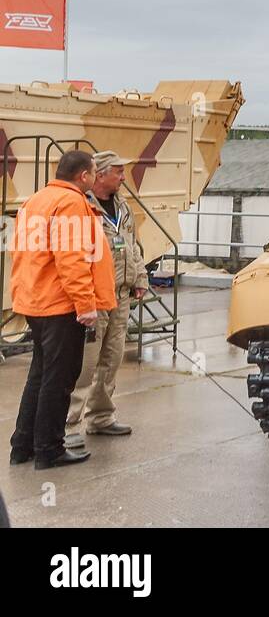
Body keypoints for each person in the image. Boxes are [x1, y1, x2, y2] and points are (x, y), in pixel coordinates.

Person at [9, 150, 115, 470]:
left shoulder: (36, 200)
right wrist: (85, 305)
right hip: (60, 304)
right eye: (95, 173)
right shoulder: (71, 203)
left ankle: (23, 446)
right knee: (59, 379)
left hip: (36, 300)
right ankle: (49, 449)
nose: (96, 178)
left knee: (40, 375)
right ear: (83, 176)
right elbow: (71, 259)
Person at [65, 152, 148, 448]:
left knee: (111, 358)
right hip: (94, 296)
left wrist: (140, 278)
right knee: (86, 362)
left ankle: (100, 417)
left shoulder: (123, 207)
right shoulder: (83, 207)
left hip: (120, 295)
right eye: (118, 172)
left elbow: (132, 246)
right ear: (99, 175)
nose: (123, 177)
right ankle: (69, 424)